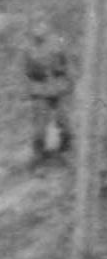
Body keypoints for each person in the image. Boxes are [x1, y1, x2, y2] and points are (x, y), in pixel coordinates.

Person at [22, 24, 72, 165]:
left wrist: (64, 81)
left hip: (57, 87)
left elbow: (65, 65)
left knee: (64, 121)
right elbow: (28, 72)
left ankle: (65, 151)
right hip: (40, 90)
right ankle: (39, 155)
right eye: (36, 29)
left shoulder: (57, 45)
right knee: (40, 126)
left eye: (42, 29)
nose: (39, 32)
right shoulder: (29, 50)